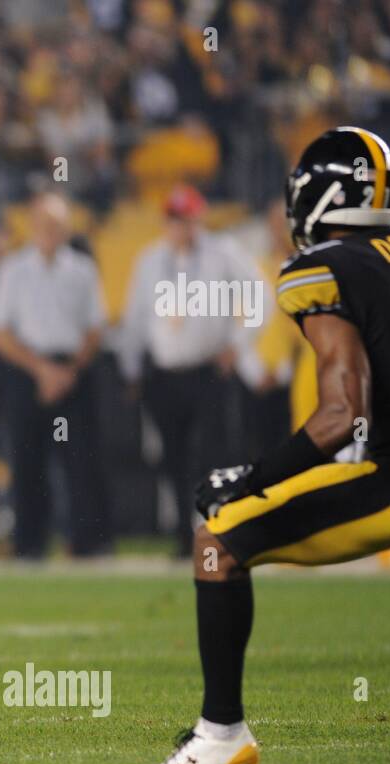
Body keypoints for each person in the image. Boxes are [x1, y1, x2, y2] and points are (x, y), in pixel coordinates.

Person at [142, 127, 390, 764]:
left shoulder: (324, 268)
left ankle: (222, 732)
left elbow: (344, 415)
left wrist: (252, 478)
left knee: (219, 538)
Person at [116, 184, 265, 556]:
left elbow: (260, 296)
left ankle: (222, 532)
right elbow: (135, 319)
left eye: (189, 220)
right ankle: (186, 540)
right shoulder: (150, 259)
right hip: (165, 375)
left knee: (215, 454)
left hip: (209, 371)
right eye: (177, 220)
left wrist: (238, 345)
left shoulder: (223, 253)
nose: (184, 228)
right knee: (173, 458)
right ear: (167, 222)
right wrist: (131, 369)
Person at [0, 193, 112, 558]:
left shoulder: (82, 269)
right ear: (31, 226)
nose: (50, 231)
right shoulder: (12, 269)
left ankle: (89, 543)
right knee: (26, 460)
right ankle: (30, 543)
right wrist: (42, 370)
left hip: (73, 372)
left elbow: (95, 327)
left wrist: (67, 371)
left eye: (56, 225)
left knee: (81, 460)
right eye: (43, 224)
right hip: (26, 372)